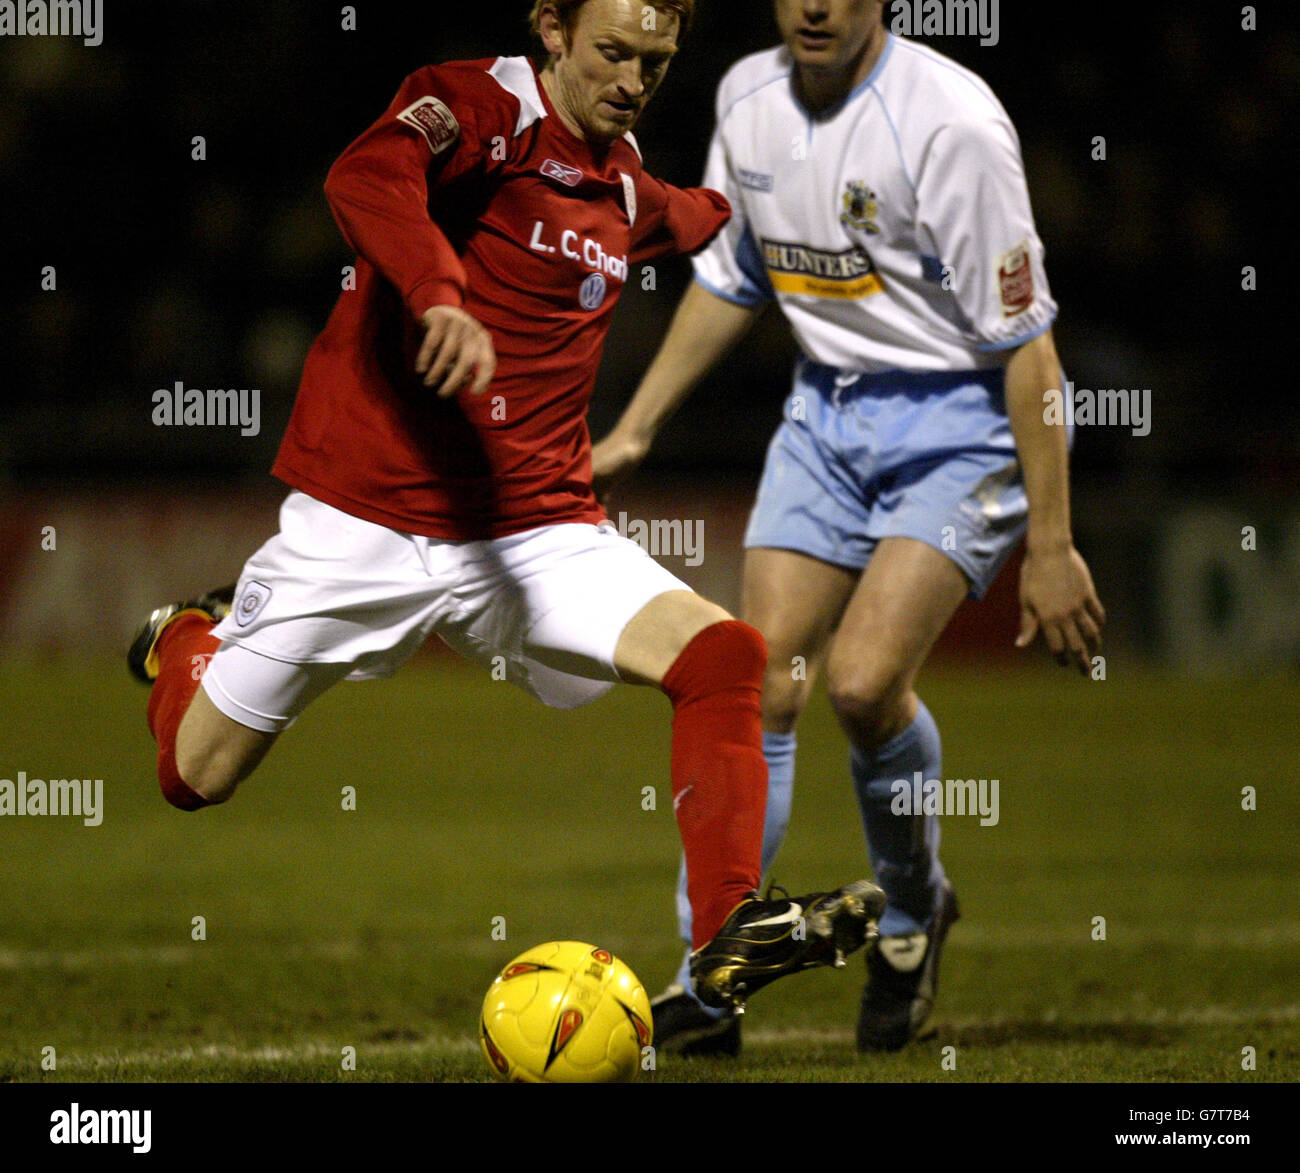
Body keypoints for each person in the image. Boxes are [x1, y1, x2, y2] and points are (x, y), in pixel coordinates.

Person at [127, 0, 885, 1021]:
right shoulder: (476, 106)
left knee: (723, 657)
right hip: (368, 523)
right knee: (194, 777)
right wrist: (440, 292)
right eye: (611, 52)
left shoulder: (620, 182)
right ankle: (188, 638)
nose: (629, 81)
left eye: (653, 65)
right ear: (553, 29)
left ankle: (725, 931)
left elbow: (690, 216)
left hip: (536, 529)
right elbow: (366, 174)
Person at [592, 0, 1105, 1054]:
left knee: (864, 687)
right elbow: (729, 282)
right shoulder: (746, 98)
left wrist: (1050, 545)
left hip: (961, 428)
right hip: (826, 416)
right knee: (759, 675)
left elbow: (1030, 353)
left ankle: (913, 915)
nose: (815, 5)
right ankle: (711, 970)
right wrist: (635, 428)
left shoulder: (951, 125)